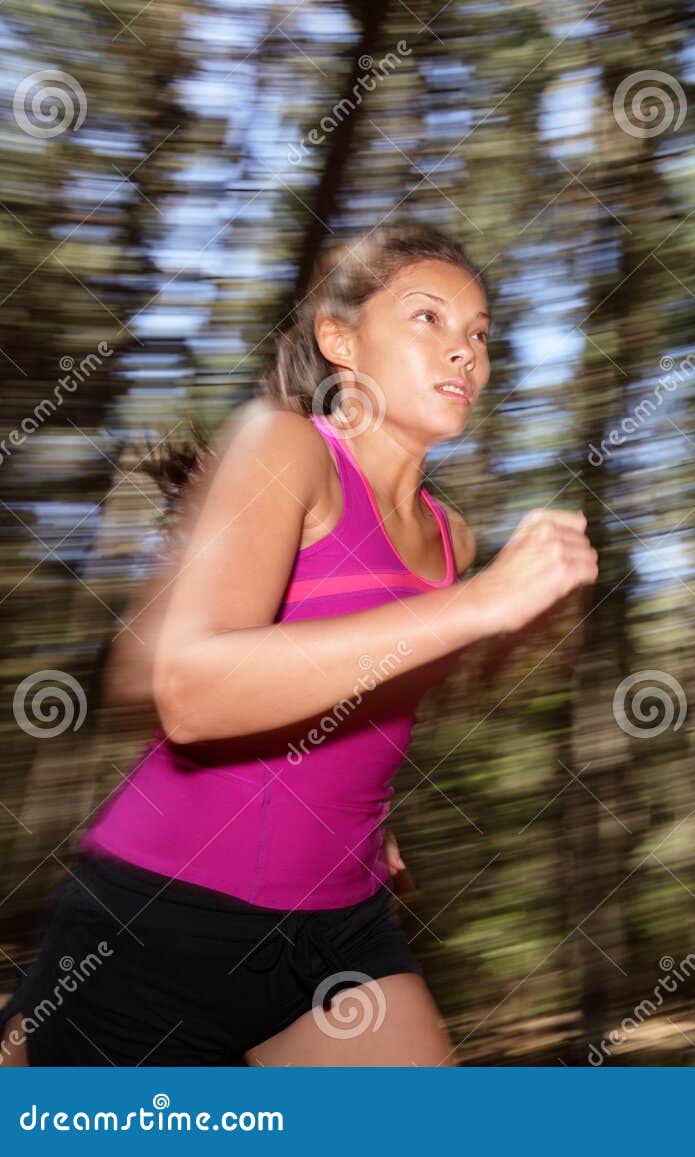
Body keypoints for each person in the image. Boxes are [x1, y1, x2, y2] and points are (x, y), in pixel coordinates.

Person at [0, 223, 597, 1066]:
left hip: (339, 927)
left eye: (479, 334)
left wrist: (357, 813)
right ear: (339, 340)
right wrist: (479, 607)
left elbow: (361, 688)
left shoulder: (451, 537)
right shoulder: (283, 447)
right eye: (428, 318)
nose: (464, 351)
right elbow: (193, 694)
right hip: (159, 924)